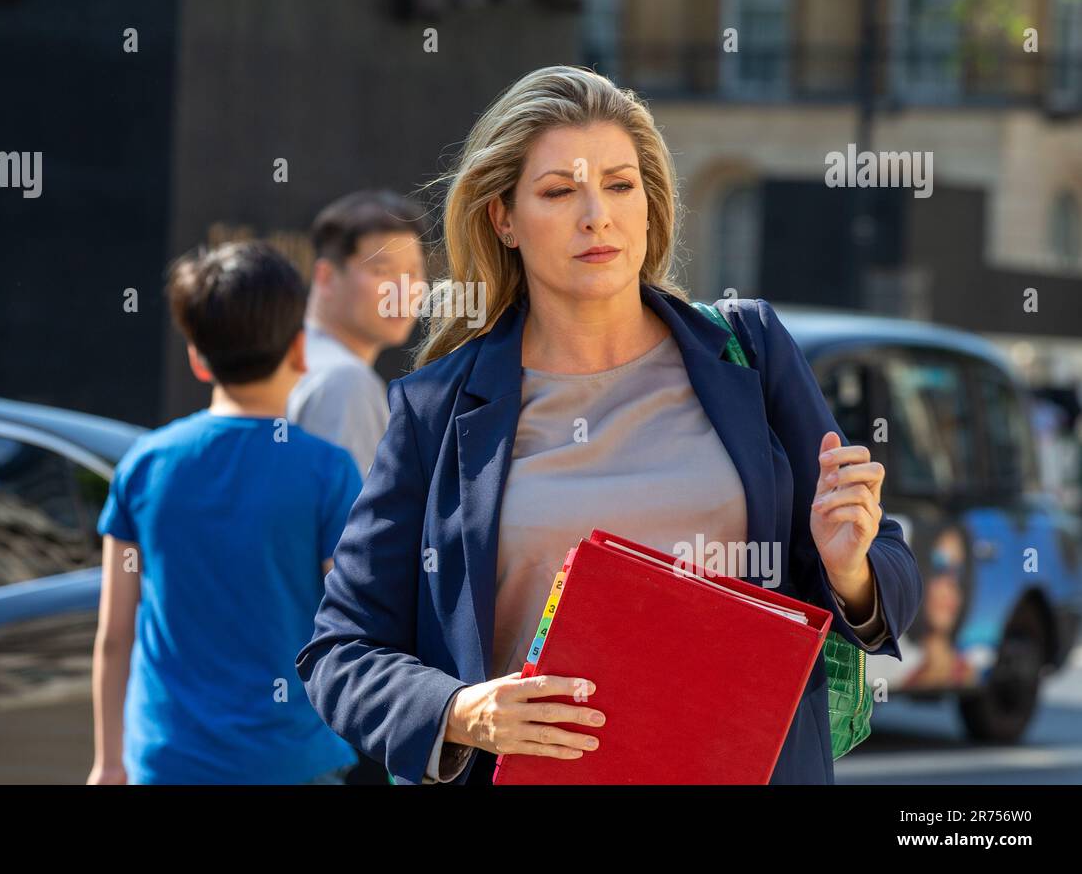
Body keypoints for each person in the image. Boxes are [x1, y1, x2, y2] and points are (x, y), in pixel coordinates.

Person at [297, 65, 925, 785]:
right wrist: (465, 711)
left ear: (651, 205)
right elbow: (341, 652)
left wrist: (850, 570)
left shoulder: (749, 353)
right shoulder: (436, 408)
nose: (597, 214)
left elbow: (889, 574)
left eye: (620, 185)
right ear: (503, 218)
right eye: (560, 192)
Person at [89, 241, 361, 785]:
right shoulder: (328, 472)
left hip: (166, 761)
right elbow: (351, 628)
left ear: (197, 356)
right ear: (300, 351)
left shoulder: (145, 464)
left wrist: (108, 762)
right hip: (296, 762)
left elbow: (114, 633)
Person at [287, 190, 427, 478]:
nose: (401, 292)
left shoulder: (290, 358)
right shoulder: (345, 382)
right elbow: (353, 520)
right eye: (382, 270)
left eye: (413, 273)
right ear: (326, 276)